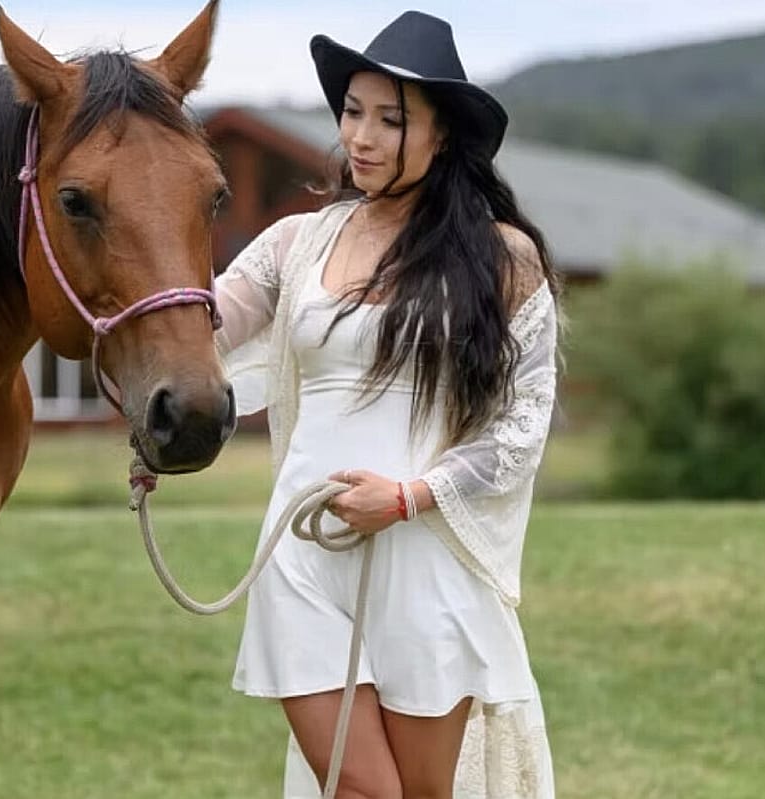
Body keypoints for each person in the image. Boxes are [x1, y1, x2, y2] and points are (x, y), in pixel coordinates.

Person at [213, 10, 560, 799]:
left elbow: (520, 426)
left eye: (391, 119)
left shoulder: (502, 258)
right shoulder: (297, 242)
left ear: (442, 135)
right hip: (303, 549)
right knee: (360, 788)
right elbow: (199, 325)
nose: (360, 136)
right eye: (352, 112)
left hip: (425, 554)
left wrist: (408, 497)